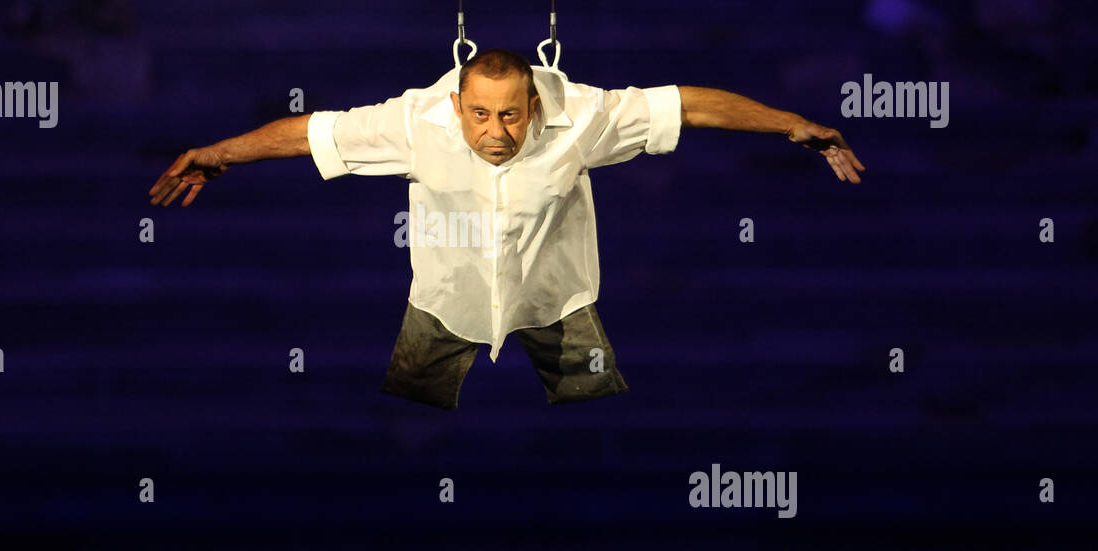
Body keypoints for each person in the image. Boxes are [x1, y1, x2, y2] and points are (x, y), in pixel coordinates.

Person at [148, 49, 865, 409]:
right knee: (413, 406)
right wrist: (218, 155)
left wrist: (792, 124)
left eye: (512, 115)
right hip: (446, 302)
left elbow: (688, 104)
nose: (496, 132)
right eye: (481, 115)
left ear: (534, 105)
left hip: (555, 299)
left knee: (594, 408)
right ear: (458, 106)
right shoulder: (413, 121)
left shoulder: (580, 115)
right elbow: (312, 132)